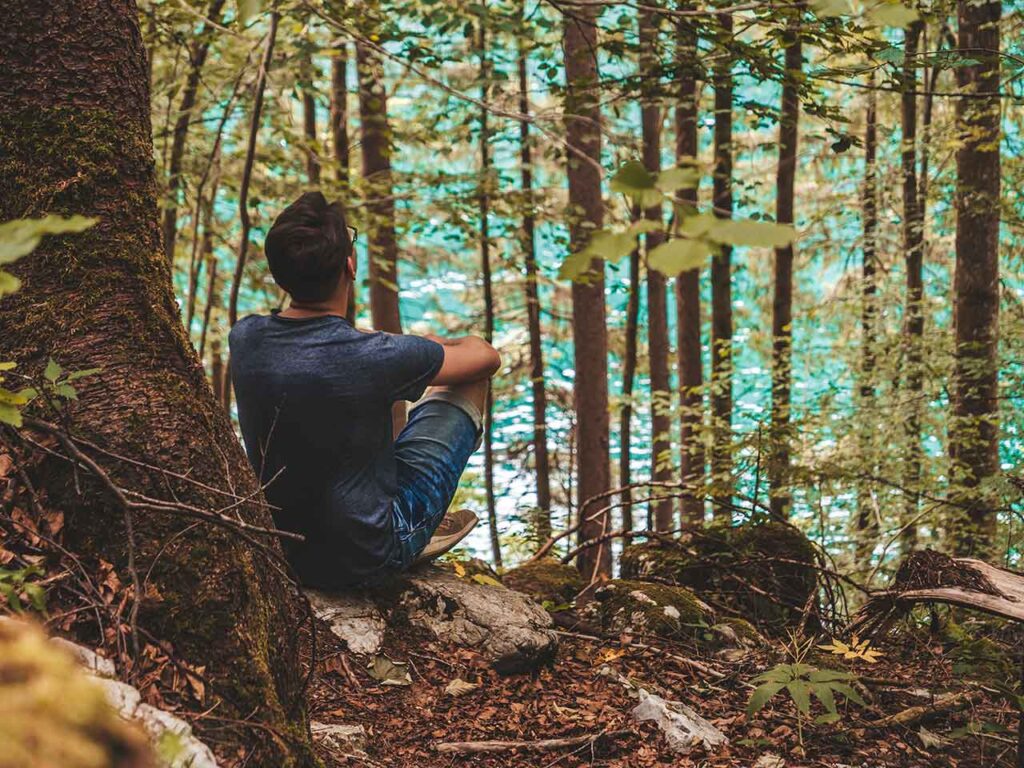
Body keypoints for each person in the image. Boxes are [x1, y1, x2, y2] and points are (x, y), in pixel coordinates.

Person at [229, 191, 499, 588]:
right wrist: (429, 343)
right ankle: (411, 533)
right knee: (470, 376)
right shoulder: (375, 354)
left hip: (284, 549)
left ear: (279, 271)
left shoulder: (245, 338)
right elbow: (486, 357)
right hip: (367, 558)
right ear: (350, 265)